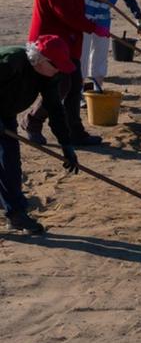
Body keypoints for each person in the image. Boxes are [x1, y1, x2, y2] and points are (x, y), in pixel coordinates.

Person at [22, 0, 110, 147]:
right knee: (62, 86)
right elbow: (67, 15)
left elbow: (74, 11)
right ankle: (32, 121)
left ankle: (74, 132)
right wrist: (93, 27)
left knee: (73, 86)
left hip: (66, 43)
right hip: (50, 45)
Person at [1, 36, 80, 234]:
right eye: (56, 65)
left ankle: (16, 215)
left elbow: (55, 110)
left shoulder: (49, 76)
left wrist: (66, 145)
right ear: (40, 58)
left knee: (9, 162)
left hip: (5, 114)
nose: (58, 70)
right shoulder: (11, 62)